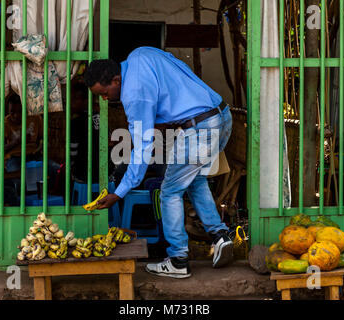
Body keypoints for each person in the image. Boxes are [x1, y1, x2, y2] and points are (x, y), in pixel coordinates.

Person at [84, 47, 233, 279]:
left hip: (198, 127)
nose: (105, 98)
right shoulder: (139, 54)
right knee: (194, 180)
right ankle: (220, 236)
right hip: (220, 116)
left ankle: (178, 260)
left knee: (169, 192)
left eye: (104, 93)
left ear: (116, 79)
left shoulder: (134, 94)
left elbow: (143, 147)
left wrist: (120, 193)